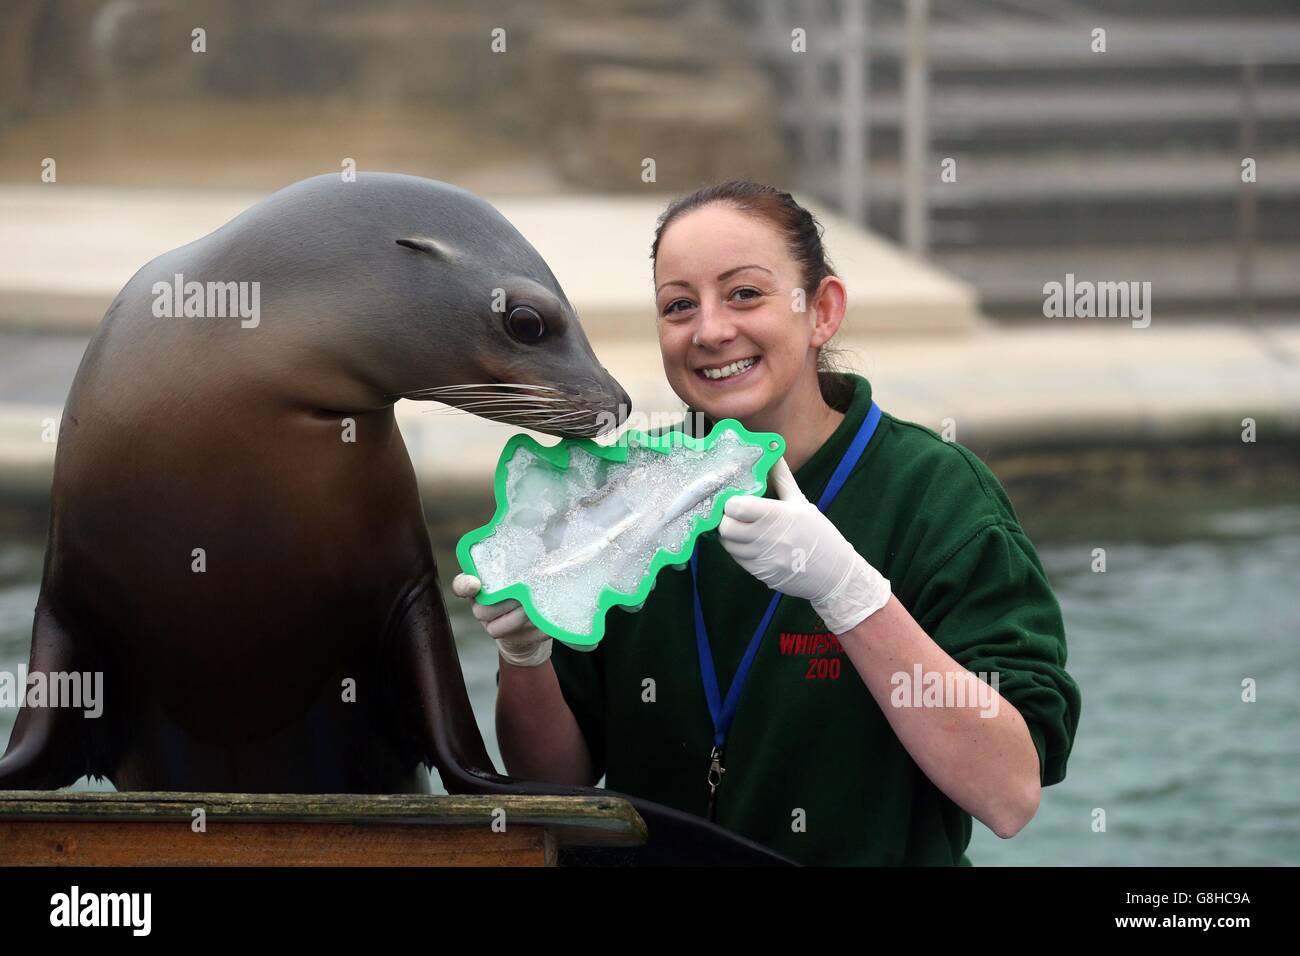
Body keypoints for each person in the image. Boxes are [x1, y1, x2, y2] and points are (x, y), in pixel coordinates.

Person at [453, 180, 1082, 865]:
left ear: (823, 310)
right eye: (679, 305)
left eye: (745, 293)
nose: (711, 330)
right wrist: (527, 657)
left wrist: (849, 592)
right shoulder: (620, 496)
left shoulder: (934, 493)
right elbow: (553, 787)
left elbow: (1008, 794)